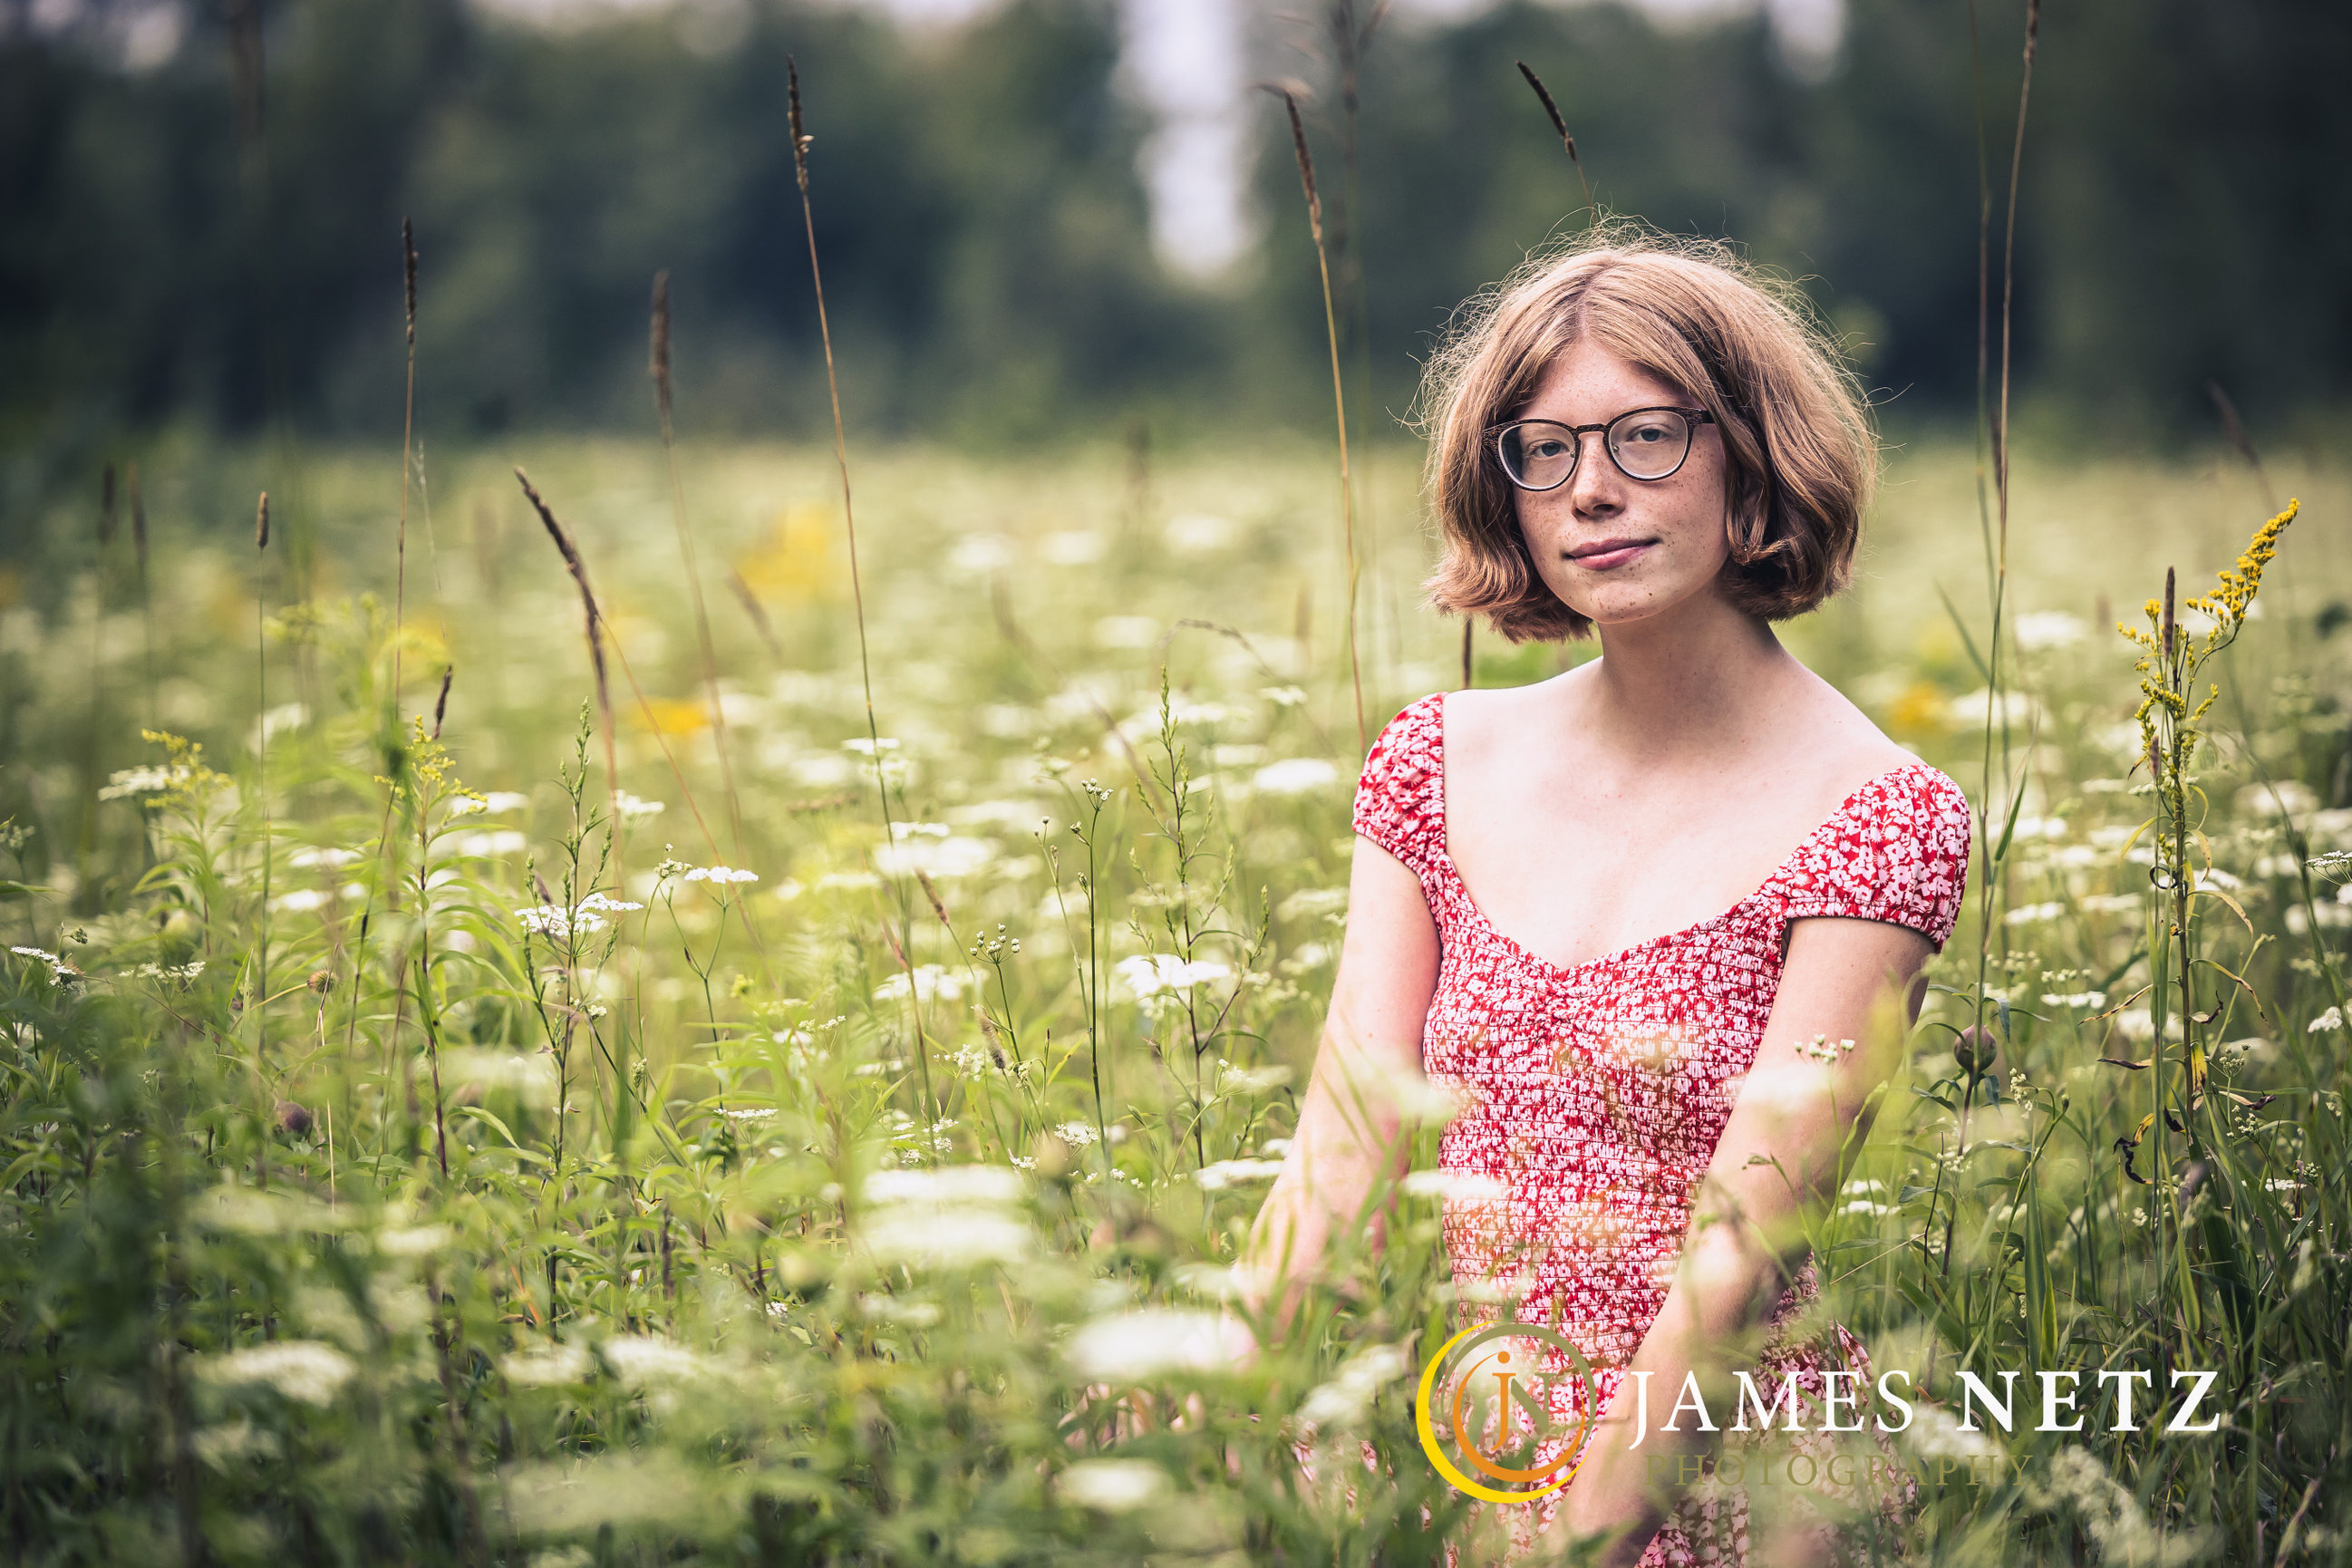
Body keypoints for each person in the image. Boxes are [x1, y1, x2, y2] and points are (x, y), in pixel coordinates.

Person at [1238, 228, 1972, 1566]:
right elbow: (1343, 1145)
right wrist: (1207, 1411)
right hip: (1449, 1425)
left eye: (1646, 437)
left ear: (1751, 452)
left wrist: (1575, 1539)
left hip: (1714, 1457)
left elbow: (1740, 1251)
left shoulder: (1880, 815)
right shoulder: (1433, 764)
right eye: (1545, 449)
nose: (1590, 491)